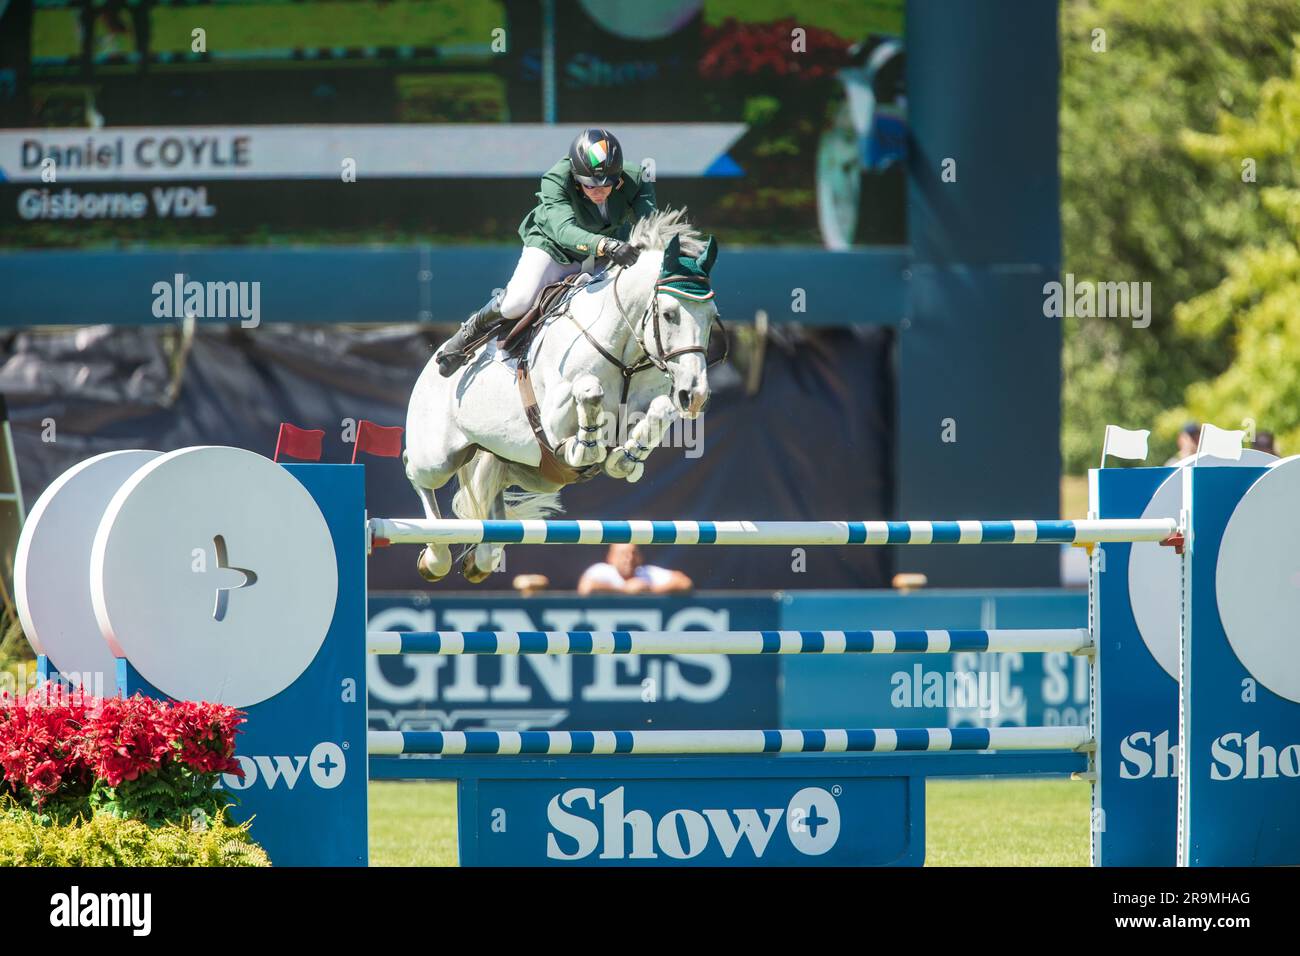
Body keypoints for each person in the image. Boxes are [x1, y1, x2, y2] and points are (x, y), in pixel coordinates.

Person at [435, 128, 657, 376]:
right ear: (575, 176)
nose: (600, 191)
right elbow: (564, 231)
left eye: (608, 184)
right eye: (590, 185)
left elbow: (649, 225)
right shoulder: (555, 179)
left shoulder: (637, 177)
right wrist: (607, 245)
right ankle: (470, 331)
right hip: (553, 248)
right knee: (516, 302)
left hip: (606, 254)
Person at [577, 543, 693, 595]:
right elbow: (585, 588)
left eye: (633, 553)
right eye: (623, 554)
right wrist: (625, 590)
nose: (629, 558)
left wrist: (650, 591)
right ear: (611, 557)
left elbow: (685, 583)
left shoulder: (647, 574)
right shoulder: (601, 571)